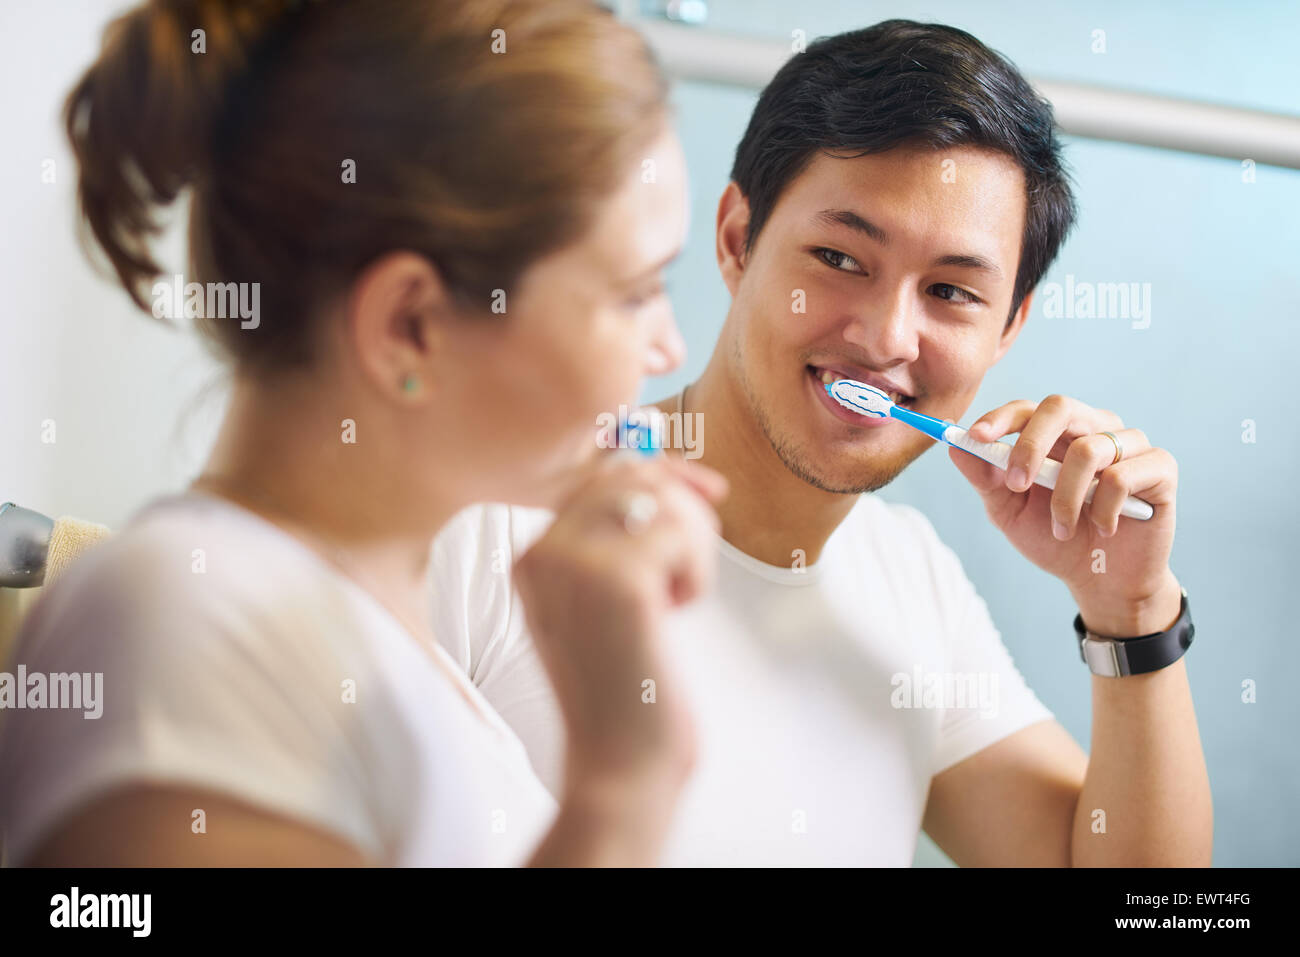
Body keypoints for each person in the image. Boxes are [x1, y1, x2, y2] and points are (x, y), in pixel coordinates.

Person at [429, 20, 1212, 866]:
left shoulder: (914, 582)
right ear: (738, 239)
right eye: (839, 257)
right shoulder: (485, 520)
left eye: (950, 290)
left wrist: (1131, 610)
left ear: (1009, 328)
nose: (885, 337)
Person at [0, 0, 727, 867]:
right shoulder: (184, 633)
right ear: (410, 326)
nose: (670, 348)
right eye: (638, 292)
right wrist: (621, 786)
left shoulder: (385, 643)